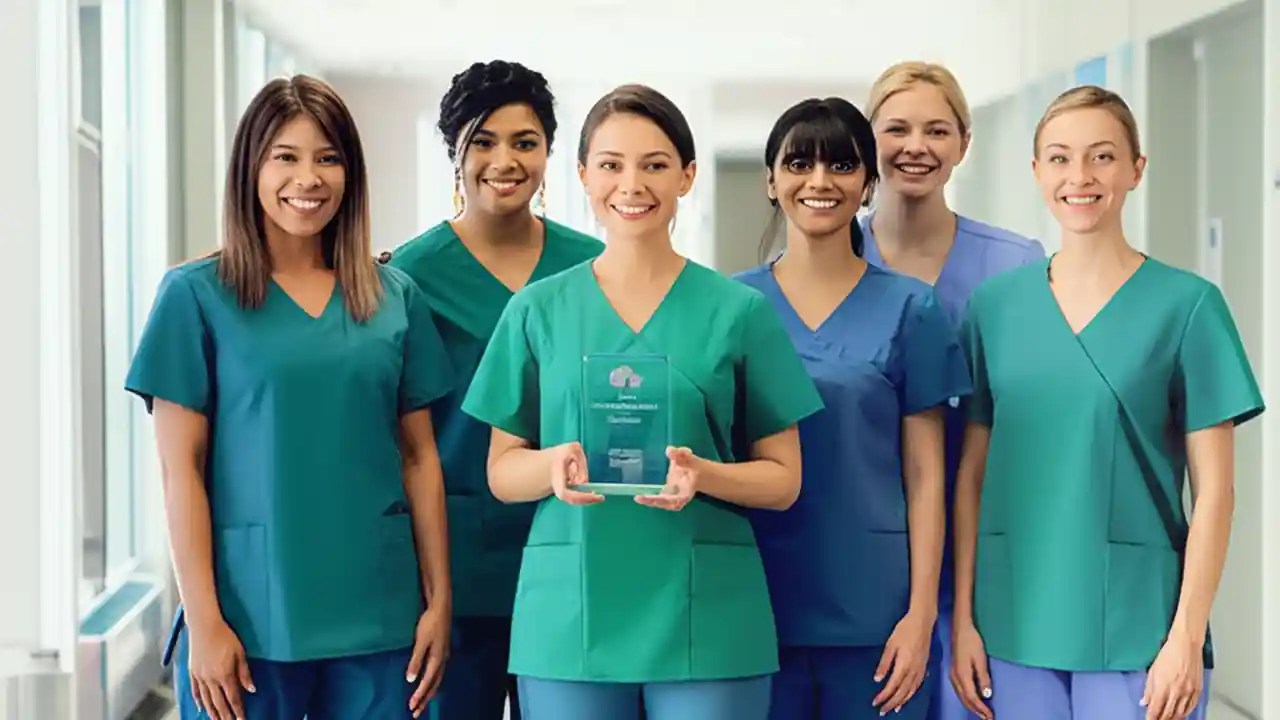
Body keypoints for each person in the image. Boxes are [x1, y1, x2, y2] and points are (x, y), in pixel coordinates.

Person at [461, 84, 823, 720]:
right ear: (581, 176)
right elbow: (500, 470)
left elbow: (785, 479)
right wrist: (552, 467)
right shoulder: (537, 310)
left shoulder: (738, 312)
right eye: (610, 165)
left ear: (686, 176)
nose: (632, 184)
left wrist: (703, 474)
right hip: (571, 613)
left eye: (655, 165)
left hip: (705, 613)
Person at [125, 76, 454, 720]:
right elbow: (180, 472)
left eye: (328, 158)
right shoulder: (194, 295)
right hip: (248, 619)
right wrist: (205, 619)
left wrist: (439, 601)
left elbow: (419, 459)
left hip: (380, 617)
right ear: (252, 165)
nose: (308, 178)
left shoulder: (394, 298)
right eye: (286, 156)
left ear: (350, 174)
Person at [949, 85, 1265, 720]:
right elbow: (973, 474)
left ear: (1135, 169)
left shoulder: (1188, 306)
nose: (1080, 177)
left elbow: (1217, 493)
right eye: (1060, 158)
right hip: (1016, 616)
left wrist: (1186, 637)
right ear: (1037, 172)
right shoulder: (995, 308)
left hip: (1139, 628)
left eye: (1102, 156)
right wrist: (963, 620)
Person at [735, 97, 970, 720]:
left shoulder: (910, 309)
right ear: (771, 179)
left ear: (867, 183)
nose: (819, 181)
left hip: (876, 618)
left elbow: (926, 478)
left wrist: (921, 617)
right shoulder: (730, 307)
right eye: (799, 163)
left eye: (841, 165)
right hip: (751, 611)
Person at [382, 60, 603, 720]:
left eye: (525, 142)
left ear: (549, 154)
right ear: (454, 151)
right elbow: (401, 437)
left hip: (574, 552)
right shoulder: (408, 276)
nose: (504, 161)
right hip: (453, 568)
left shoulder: (592, 267)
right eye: (483, 141)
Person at [859, 61, 1045, 720]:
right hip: (867, 551)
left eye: (937, 130)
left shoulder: (1018, 265)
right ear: (867, 141)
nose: (917, 146)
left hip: (989, 555)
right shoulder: (829, 264)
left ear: (964, 143)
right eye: (897, 128)